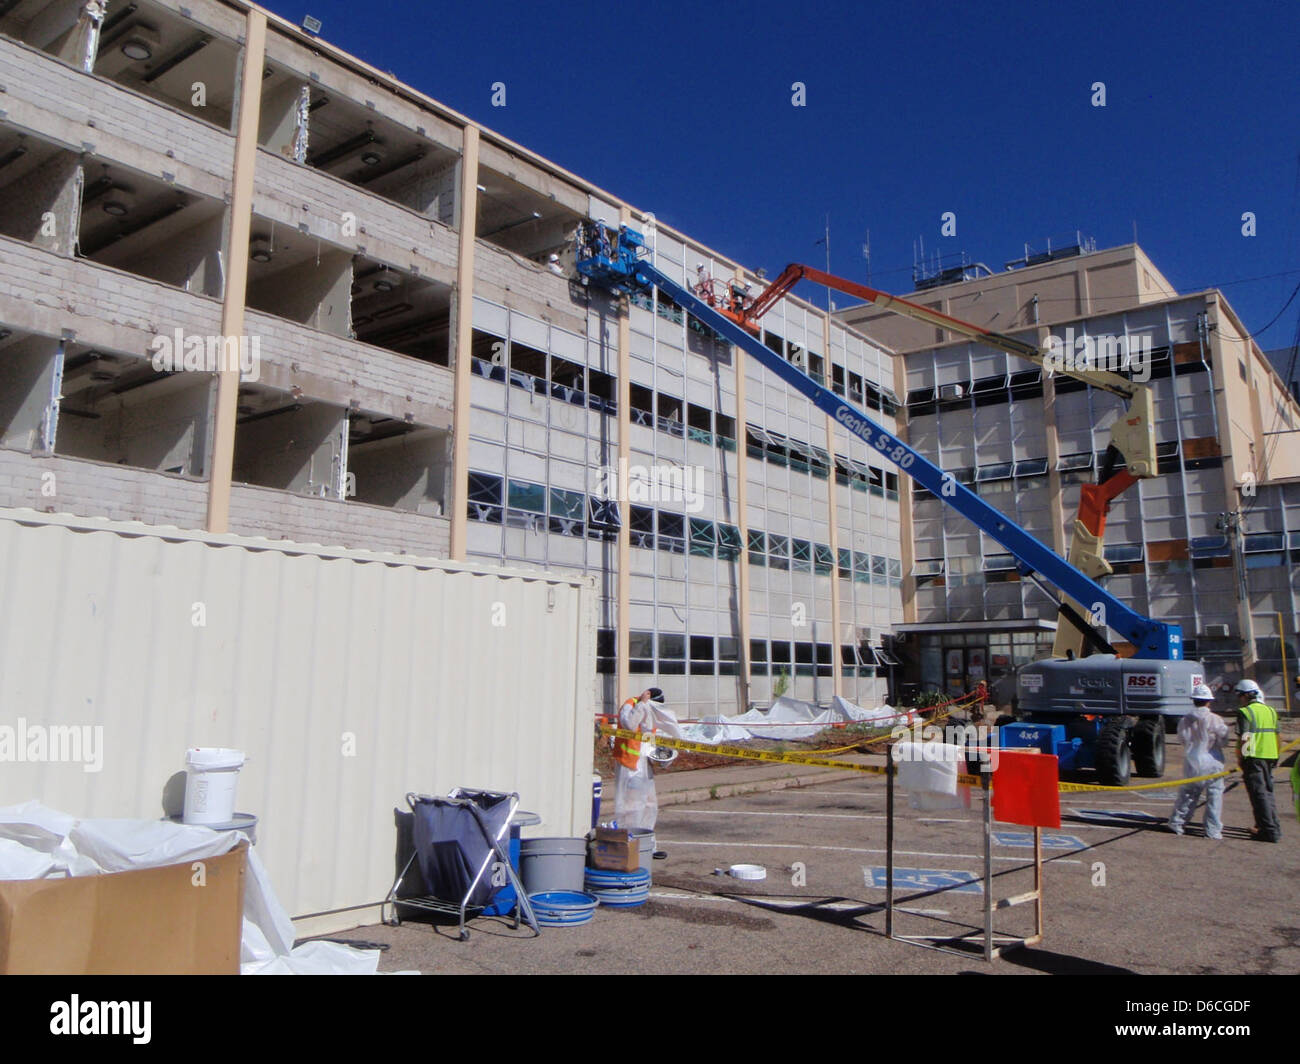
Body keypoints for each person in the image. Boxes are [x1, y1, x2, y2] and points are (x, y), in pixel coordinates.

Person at [1166, 684, 1229, 839]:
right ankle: (1212, 830)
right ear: (1209, 701)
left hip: (1193, 760)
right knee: (1214, 795)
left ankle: (1177, 823)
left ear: (1194, 700)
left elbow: (1182, 739)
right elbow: (1224, 740)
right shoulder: (1216, 719)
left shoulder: (1185, 720)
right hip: (1213, 760)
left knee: (1188, 793)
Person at [1234, 678, 1281, 842]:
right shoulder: (1271, 711)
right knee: (1268, 793)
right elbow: (1278, 736)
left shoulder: (1245, 712)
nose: (1239, 699)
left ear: (1246, 695)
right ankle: (1274, 827)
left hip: (1254, 757)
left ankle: (1268, 831)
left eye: (1240, 695)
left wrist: (1242, 758)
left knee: (1259, 794)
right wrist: (1277, 755)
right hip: (1270, 756)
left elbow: (1246, 737)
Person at [612, 688, 664, 832]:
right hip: (630, 765)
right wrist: (641, 704)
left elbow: (650, 738)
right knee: (631, 805)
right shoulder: (631, 705)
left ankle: (646, 838)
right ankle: (629, 837)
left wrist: (662, 757)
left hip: (645, 765)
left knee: (649, 804)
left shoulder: (652, 712)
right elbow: (630, 724)